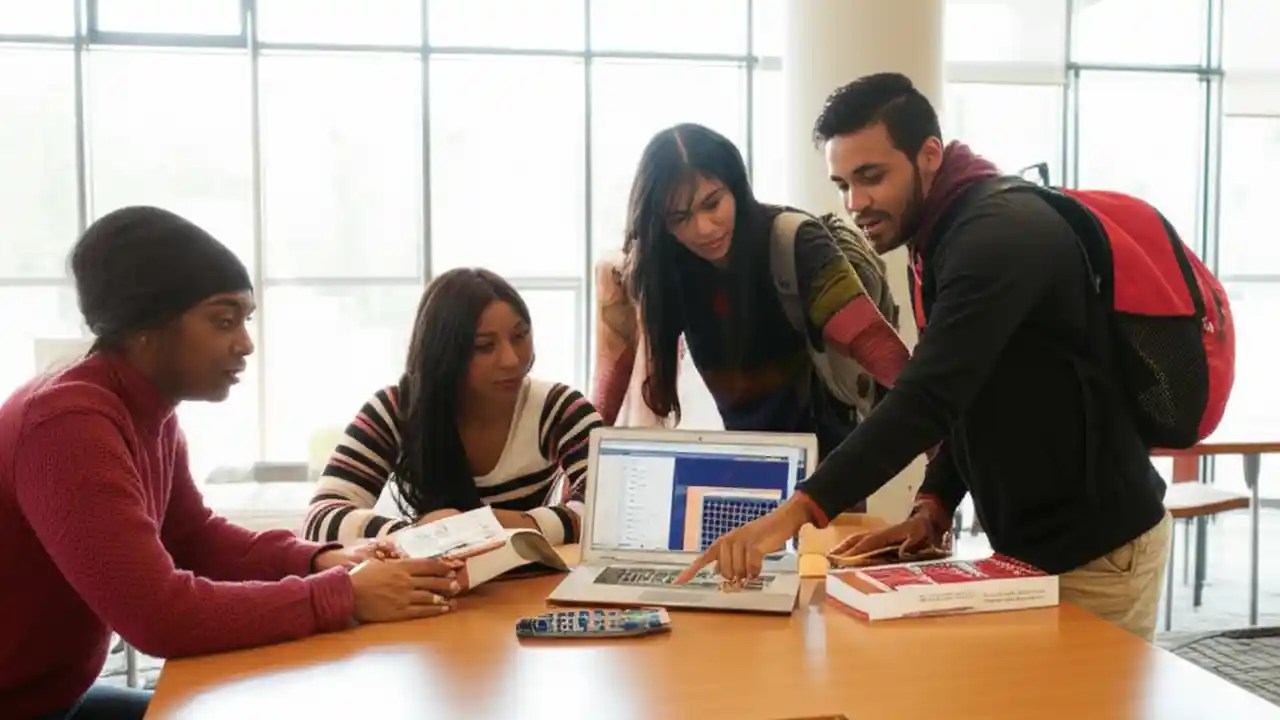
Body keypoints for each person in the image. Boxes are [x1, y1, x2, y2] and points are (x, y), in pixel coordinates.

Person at [681, 73, 1172, 641]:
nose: (854, 203)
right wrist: (935, 503)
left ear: (930, 154)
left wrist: (794, 515)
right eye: (842, 183)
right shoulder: (947, 233)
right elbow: (971, 388)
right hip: (1031, 547)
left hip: (1099, 552)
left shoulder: (995, 236)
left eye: (871, 177)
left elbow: (927, 397)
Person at [0, 207, 462, 720]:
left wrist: (323, 560)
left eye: (245, 319)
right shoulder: (68, 424)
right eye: (224, 320)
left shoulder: (144, 408)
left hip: (52, 699)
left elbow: (194, 539)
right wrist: (343, 596)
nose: (245, 343)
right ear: (144, 325)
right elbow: (158, 616)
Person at [593, 122, 909, 460]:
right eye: (679, 217)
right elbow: (608, 393)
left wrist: (938, 457)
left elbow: (875, 344)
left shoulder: (795, 242)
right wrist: (578, 482)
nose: (703, 229)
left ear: (735, 187)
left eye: (712, 203)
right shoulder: (663, 269)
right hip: (744, 458)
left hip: (827, 460)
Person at [305, 268, 602, 547]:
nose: (511, 360)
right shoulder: (397, 410)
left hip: (530, 585)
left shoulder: (558, 408)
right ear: (445, 352)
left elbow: (612, 511)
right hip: (433, 586)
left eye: (520, 336)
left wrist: (507, 525)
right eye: (485, 346)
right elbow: (320, 519)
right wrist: (416, 534)